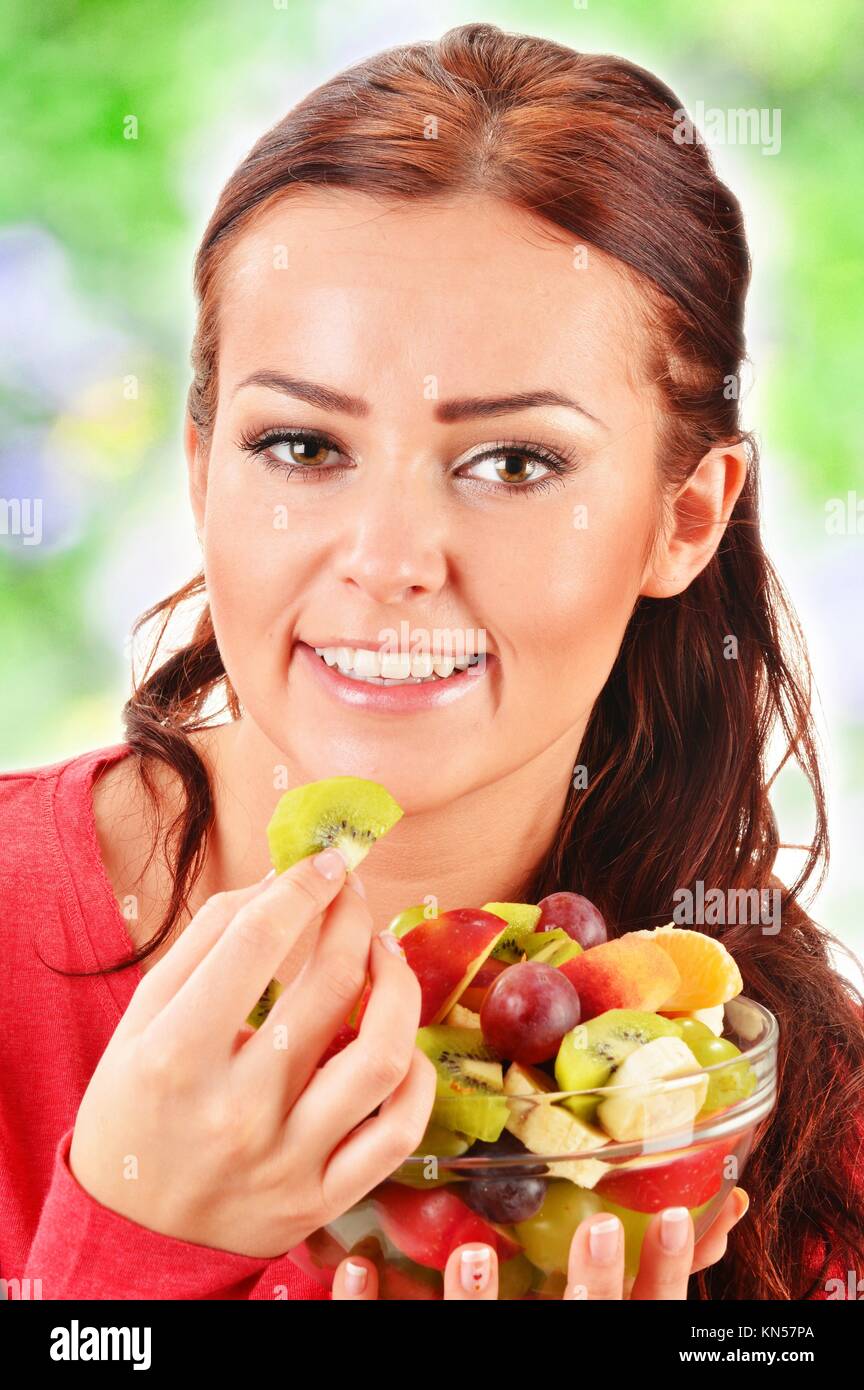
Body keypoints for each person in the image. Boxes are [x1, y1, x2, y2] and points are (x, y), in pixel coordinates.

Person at [2, 22, 862, 1302]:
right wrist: (128, 1253)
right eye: (301, 446)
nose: (389, 559)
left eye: (513, 463)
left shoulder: (793, 1122)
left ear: (684, 516)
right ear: (201, 473)